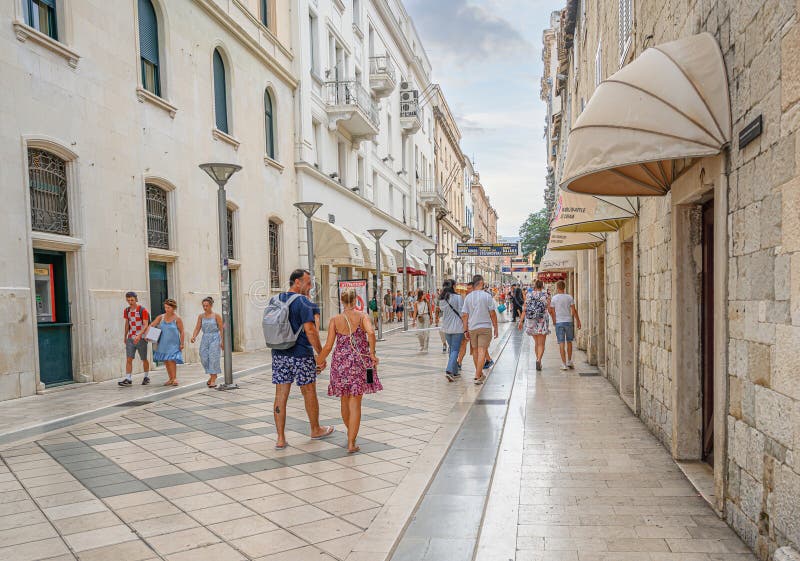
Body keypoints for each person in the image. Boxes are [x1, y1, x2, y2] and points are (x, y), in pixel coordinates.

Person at [272, 269, 335, 450]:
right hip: (301, 355)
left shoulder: (275, 300)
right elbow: (311, 331)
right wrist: (320, 355)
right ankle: (315, 429)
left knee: (280, 395)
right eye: (308, 283)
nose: (310, 286)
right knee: (309, 392)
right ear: (297, 282)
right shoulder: (303, 302)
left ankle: (280, 438)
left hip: (279, 354)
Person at [316, 289, 382, 453]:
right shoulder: (362, 317)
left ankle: (350, 433)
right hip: (359, 362)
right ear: (355, 301)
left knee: (344, 400)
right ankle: (351, 442)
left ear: (342, 301)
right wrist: (372, 353)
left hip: (340, 364)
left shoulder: (335, 320)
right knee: (355, 403)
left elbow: (328, 346)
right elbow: (371, 333)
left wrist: (319, 361)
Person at [462, 275, 499, 385]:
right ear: (481, 283)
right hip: (485, 327)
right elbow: (492, 313)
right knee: (482, 350)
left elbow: (465, 315)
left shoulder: (468, 298)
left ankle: (480, 374)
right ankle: (477, 375)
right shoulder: (487, 296)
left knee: (475, 351)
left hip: (472, 328)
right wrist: (496, 327)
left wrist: (465, 330)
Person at [119, 291, 151, 387]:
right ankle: (128, 378)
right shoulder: (127, 310)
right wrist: (125, 336)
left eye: (132, 300)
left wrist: (139, 335)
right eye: (128, 300)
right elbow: (127, 323)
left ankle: (146, 376)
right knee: (129, 358)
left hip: (141, 338)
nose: (130, 302)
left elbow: (145, 324)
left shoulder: (142, 310)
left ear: (136, 299)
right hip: (131, 338)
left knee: (144, 358)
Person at [150, 299, 184, 386]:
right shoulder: (160, 317)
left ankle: (174, 378)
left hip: (174, 343)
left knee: (171, 360)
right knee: (166, 360)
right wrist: (148, 335)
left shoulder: (177, 319)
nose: (166, 309)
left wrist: (182, 343)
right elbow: (152, 325)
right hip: (163, 342)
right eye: (165, 307)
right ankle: (170, 379)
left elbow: (182, 331)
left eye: (168, 307)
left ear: (173, 308)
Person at [190, 296, 223, 387]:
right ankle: (213, 375)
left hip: (215, 337)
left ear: (211, 306)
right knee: (203, 356)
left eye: (207, 306)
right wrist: (194, 336)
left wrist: (222, 341)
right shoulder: (201, 316)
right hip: (205, 338)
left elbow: (221, 329)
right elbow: (197, 327)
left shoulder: (217, 316)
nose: (205, 307)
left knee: (213, 357)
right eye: (203, 306)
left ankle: (213, 379)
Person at [518, 280, 551, 371]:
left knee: (536, 343)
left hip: (531, 321)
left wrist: (521, 321)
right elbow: (550, 309)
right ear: (542, 286)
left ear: (535, 286)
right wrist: (554, 319)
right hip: (542, 321)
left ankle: (537, 360)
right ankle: (538, 360)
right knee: (541, 344)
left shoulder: (529, 295)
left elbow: (524, 309)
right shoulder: (545, 295)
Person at [550, 280, 582, 370]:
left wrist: (554, 321)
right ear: (564, 287)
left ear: (557, 288)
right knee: (569, 342)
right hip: (568, 321)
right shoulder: (569, 297)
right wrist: (578, 321)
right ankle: (569, 361)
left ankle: (563, 364)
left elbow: (552, 311)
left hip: (559, 322)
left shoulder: (554, 298)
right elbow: (574, 310)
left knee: (561, 343)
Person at [438, 280, 464, 382]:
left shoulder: (442, 299)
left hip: (446, 327)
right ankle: (449, 370)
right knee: (455, 350)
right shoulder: (458, 297)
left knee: (451, 349)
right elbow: (462, 312)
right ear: (453, 286)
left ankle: (454, 372)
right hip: (457, 327)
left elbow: (442, 311)